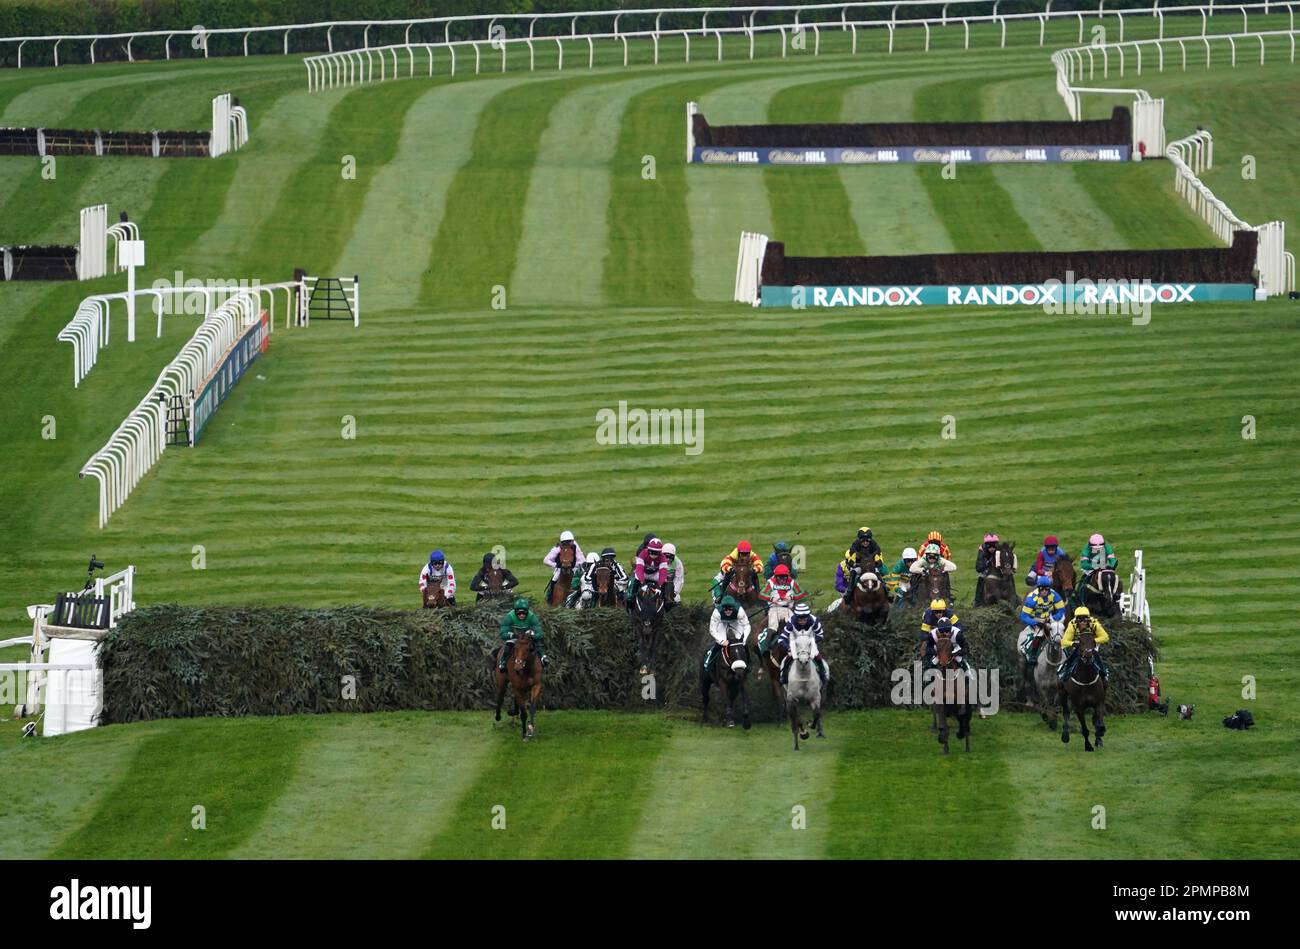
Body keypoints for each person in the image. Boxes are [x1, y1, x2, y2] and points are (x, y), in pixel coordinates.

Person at [777, 602, 828, 687]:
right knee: (789, 657)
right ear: (796, 617)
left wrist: (812, 643)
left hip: (810, 642)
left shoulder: (814, 621)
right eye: (800, 619)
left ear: (808, 617)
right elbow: (781, 639)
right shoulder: (791, 622)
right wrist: (788, 648)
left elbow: (820, 635)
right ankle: (784, 676)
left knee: (817, 655)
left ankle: (823, 675)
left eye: (804, 619)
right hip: (795, 643)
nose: (802, 621)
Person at [1018, 575, 1067, 662]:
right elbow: (1024, 616)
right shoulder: (1032, 599)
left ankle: (1066, 651)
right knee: (1040, 632)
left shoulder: (1054, 595)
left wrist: (1054, 618)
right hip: (1036, 620)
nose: (1044, 591)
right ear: (1038, 588)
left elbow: (1062, 610)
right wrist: (1035, 622)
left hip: (1050, 618)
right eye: (1042, 589)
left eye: (1046, 589)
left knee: (1059, 630)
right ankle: (1033, 654)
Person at [1059, 606, 1110, 682]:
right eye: (1080, 619)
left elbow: (1105, 637)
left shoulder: (1094, 623)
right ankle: (1064, 674)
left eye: (1085, 619)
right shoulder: (1072, 625)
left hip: (1091, 645)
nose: (1082, 622)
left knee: (1095, 654)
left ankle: (1104, 674)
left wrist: (1093, 641)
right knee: (1071, 657)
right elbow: (1064, 641)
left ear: (1088, 618)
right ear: (1076, 620)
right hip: (1079, 645)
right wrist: (1073, 643)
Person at [497, 597, 548, 671]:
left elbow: (539, 633)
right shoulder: (509, 617)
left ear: (527, 611)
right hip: (515, 635)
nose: (521, 615)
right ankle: (503, 661)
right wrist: (513, 635)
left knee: (538, 641)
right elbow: (503, 634)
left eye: (524, 613)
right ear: (515, 612)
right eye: (519, 613)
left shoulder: (532, 617)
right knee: (509, 643)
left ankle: (543, 657)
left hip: (527, 635)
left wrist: (533, 636)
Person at [704, 595, 751, 674]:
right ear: (722, 608)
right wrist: (722, 641)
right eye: (725, 609)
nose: (728, 611)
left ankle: (749, 662)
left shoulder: (740, 611)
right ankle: (710, 663)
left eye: (730, 609)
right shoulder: (717, 613)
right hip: (722, 623)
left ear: (734, 607)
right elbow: (712, 630)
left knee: (741, 643)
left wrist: (744, 638)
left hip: (735, 622)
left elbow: (747, 625)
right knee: (720, 643)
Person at [759, 563, 807, 636]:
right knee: (773, 628)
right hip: (774, 609)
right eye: (779, 577)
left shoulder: (792, 582)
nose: (782, 580)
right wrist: (772, 599)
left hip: (787, 610)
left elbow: (802, 593)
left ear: (787, 576)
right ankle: (765, 646)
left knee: (794, 628)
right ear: (775, 576)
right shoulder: (771, 582)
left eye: (784, 577)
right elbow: (761, 594)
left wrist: (791, 597)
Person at [543, 530, 584, 603]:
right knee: (555, 579)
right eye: (566, 542)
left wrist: (573, 565)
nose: (568, 543)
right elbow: (546, 560)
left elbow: (582, 560)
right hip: (560, 569)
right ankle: (550, 596)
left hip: (573, 568)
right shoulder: (557, 548)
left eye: (570, 541)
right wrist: (557, 565)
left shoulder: (575, 547)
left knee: (581, 579)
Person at [628, 537, 670, 608]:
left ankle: (665, 599)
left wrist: (659, 585)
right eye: (652, 552)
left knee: (665, 581)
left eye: (656, 553)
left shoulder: (663, 558)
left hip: (655, 574)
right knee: (636, 577)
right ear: (648, 550)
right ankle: (632, 596)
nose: (653, 555)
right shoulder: (643, 553)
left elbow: (663, 573)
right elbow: (639, 569)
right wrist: (642, 582)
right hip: (644, 573)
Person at [973, 533, 1003, 603]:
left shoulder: (1000, 550)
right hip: (985, 572)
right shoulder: (982, 550)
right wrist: (987, 564)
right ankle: (978, 601)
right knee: (981, 577)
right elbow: (978, 568)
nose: (992, 548)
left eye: (994, 546)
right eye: (989, 546)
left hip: (998, 572)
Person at [662, 542, 684, 611]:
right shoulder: (658, 561)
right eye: (666, 557)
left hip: (671, 585)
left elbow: (679, 579)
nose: (668, 559)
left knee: (677, 598)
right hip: (660, 583)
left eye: (670, 557)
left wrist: (674, 592)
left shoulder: (678, 563)